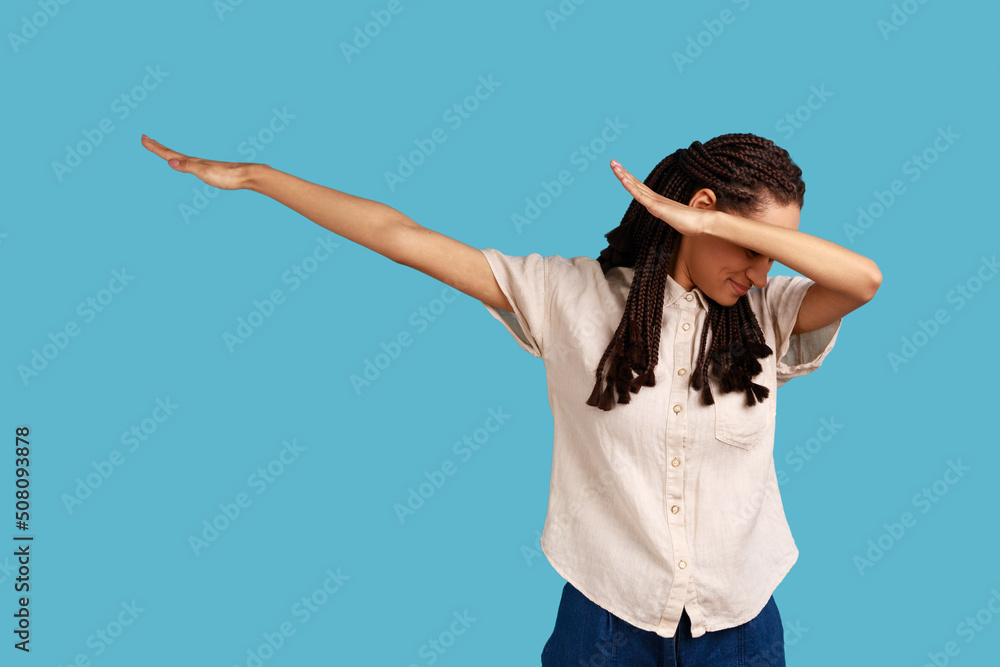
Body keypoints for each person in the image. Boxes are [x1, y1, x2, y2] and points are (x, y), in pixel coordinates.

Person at [141, 132, 881, 666]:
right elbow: (403, 236)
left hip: (742, 627)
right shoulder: (569, 298)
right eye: (752, 248)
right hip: (607, 625)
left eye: (776, 255)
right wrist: (261, 176)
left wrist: (720, 228)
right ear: (701, 205)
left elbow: (864, 280)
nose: (761, 272)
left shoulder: (770, 314)